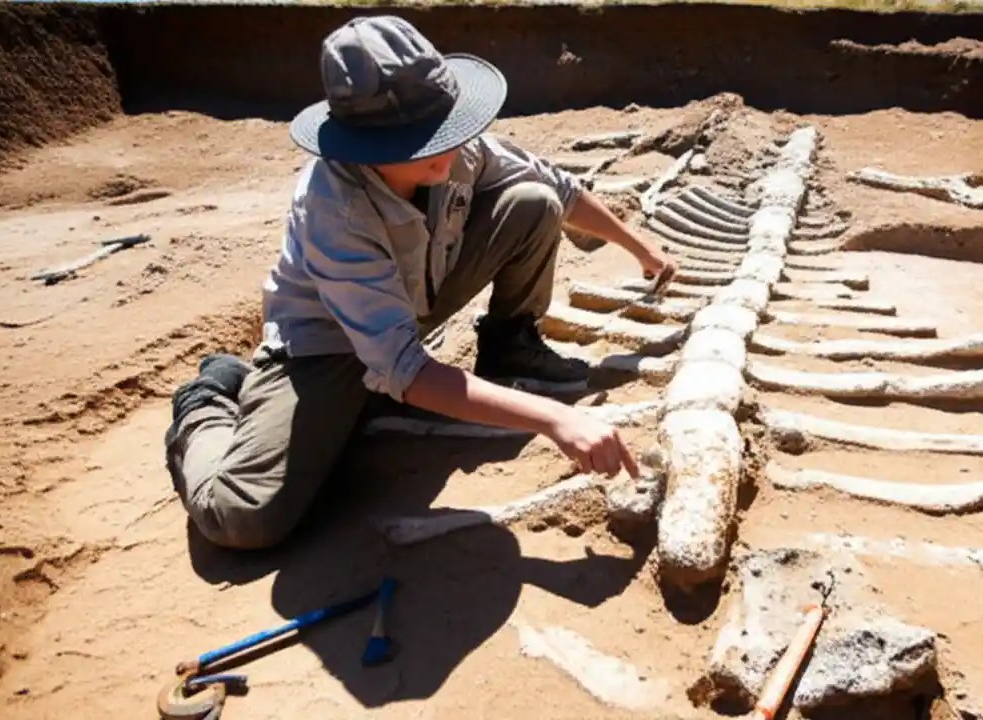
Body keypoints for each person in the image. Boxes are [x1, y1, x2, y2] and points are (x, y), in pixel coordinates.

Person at [164, 15, 678, 550]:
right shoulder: (334, 207)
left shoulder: (455, 148)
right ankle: (208, 398)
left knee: (533, 202)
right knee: (244, 516)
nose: (443, 147)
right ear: (360, 141)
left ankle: (511, 348)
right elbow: (401, 368)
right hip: (326, 348)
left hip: (410, 304)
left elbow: (559, 187)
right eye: (413, 141)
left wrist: (639, 247)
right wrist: (554, 419)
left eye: (444, 128)